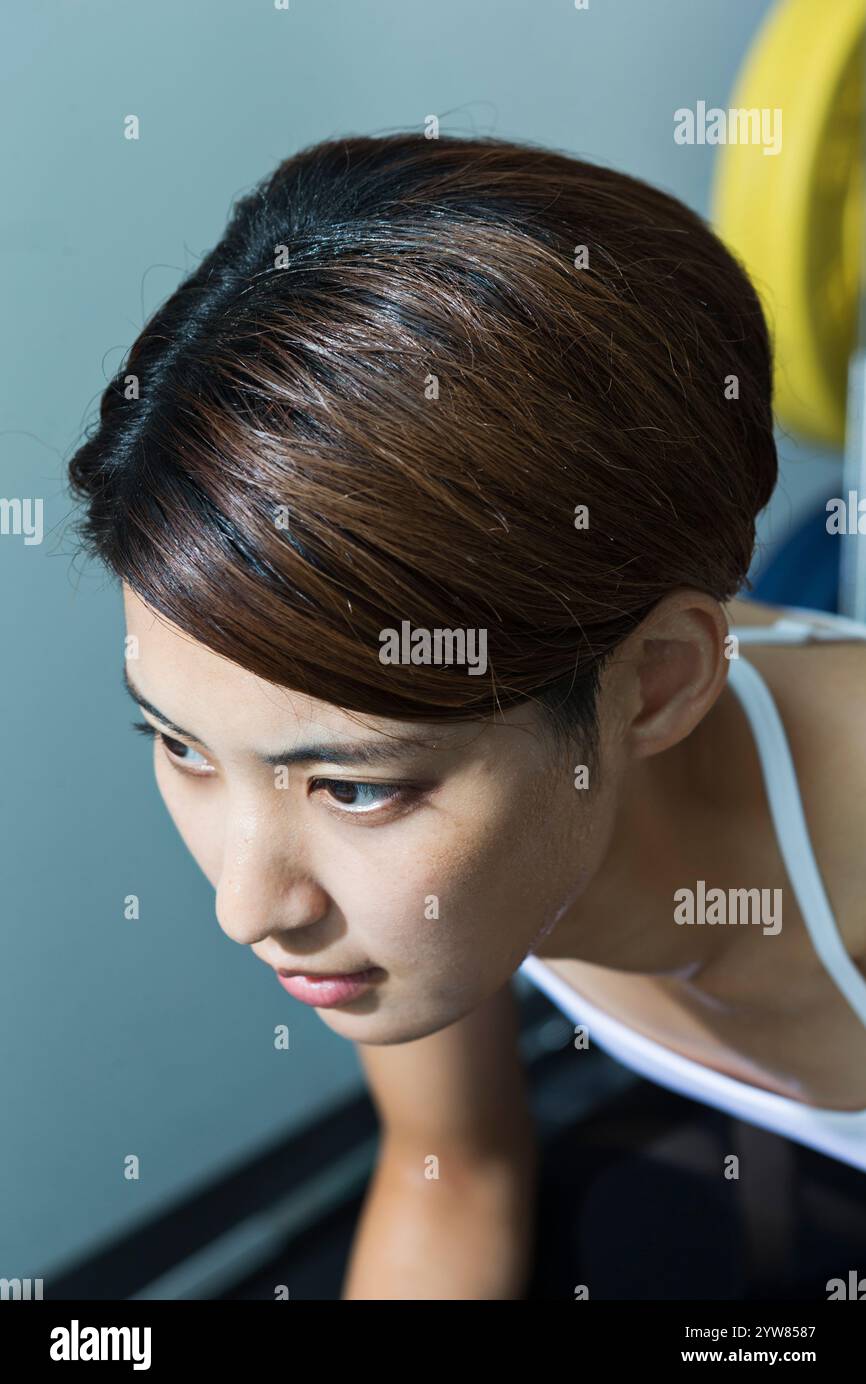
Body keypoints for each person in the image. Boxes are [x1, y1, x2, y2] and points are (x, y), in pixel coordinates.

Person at [66, 132, 866, 1300]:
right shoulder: (427, 897)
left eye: (353, 786)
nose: (248, 907)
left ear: (653, 684)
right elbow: (452, 1174)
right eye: (180, 747)